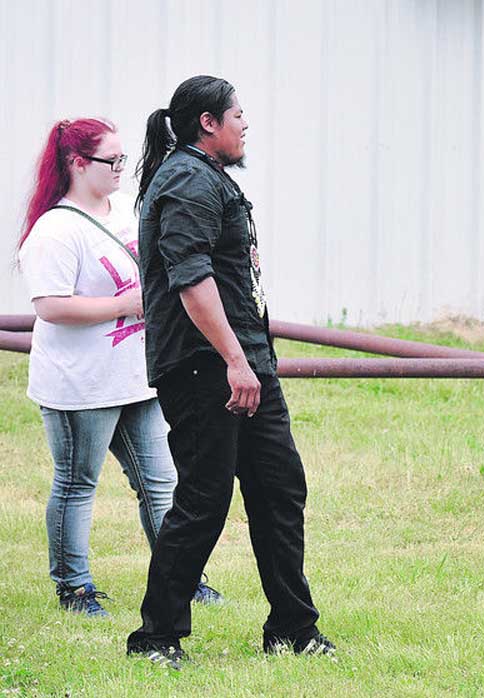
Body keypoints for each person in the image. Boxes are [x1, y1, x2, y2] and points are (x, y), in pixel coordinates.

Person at [125, 76, 333, 669]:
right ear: (207, 124)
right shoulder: (188, 178)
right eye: (238, 114)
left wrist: (252, 363)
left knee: (279, 490)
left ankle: (292, 628)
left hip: (245, 366)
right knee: (204, 499)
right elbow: (191, 280)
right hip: (206, 370)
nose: (247, 124)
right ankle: (155, 638)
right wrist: (235, 362)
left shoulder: (209, 178)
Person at [16, 118, 222, 617]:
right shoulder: (56, 229)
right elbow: (50, 305)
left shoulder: (125, 217)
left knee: (162, 482)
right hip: (79, 384)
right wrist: (127, 305)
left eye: (122, 159)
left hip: (135, 376)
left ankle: (183, 577)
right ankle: (75, 588)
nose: (121, 170)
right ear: (77, 163)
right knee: (76, 483)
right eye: (112, 161)